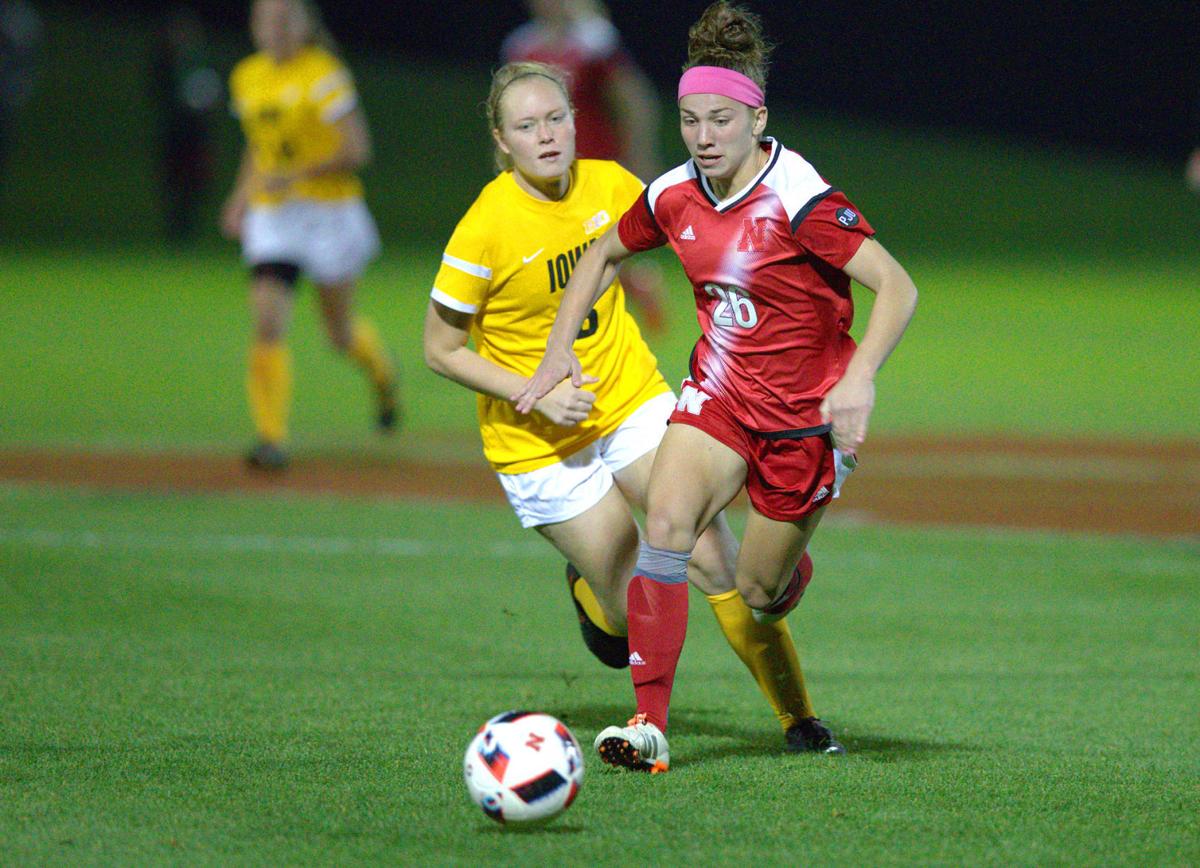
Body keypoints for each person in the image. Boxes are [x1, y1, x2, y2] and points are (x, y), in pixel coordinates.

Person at [515, 0, 919, 772]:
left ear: (757, 118)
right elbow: (601, 256)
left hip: (804, 422)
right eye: (690, 120)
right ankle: (649, 727)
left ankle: (785, 582)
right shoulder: (673, 192)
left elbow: (896, 287)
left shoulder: (798, 195)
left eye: (720, 122)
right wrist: (559, 347)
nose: (702, 137)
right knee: (667, 526)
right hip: (719, 399)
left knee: (760, 590)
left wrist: (860, 377)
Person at [424, 59, 843, 772]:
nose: (547, 135)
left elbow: (656, 245)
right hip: (536, 442)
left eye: (556, 118)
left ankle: (799, 718)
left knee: (709, 551)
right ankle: (592, 599)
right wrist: (536, 389)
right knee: (623, 611)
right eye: (527, 125)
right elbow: (440, 349)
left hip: (627, 399)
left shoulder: (613, 184)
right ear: (502, 139)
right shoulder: (484, 228)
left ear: (576, 121)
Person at [221, 0, 399, 471]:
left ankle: (382, 374)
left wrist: (296, 174)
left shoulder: (324, 74)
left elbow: (357, 148)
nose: (275, 29)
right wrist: (240, 198)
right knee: (267, 320)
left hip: (330, 212)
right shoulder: (247, 76)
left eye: (285, 20)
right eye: (266, 20)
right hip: (275, 214)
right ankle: (270, 439)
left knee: (338, 333)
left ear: (304, 26)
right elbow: (259, 147)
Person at [501, 0, 667, 332]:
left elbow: (632, 100)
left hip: (593, 160)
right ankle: (635, 285)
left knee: (581, 246)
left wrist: (641, 153)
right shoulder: (521, 46)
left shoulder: (594, 44)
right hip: (543, 166)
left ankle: (588, 324)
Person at [152, 6, 222, 242]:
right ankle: (176, 229)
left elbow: (210, 94)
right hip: (175, 133)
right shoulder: (166, 61)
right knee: (173, 180)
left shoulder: (201, 59)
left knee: (195, 182)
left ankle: (187, 229)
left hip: (195, 133)